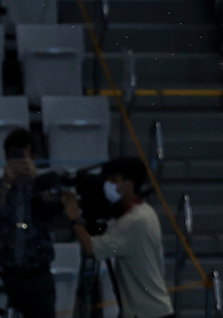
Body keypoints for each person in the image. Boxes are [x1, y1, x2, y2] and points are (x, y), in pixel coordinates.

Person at [62, 158, 173, 318]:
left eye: (114, 180)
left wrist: (75, 219)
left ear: (130, 185)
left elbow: (92, 249)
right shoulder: (146, 211)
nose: (108, 184)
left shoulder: (133, 222)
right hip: (152, 310)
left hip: (147, 313)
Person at [0, 129, 60, 318]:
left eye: (24, 156)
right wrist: (5, 183)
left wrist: (36, 179)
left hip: (38, 277)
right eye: (14, 156)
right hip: (7, 275)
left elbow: (54, 209)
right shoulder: (2, 186)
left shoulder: (45, 183)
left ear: (33, 156)